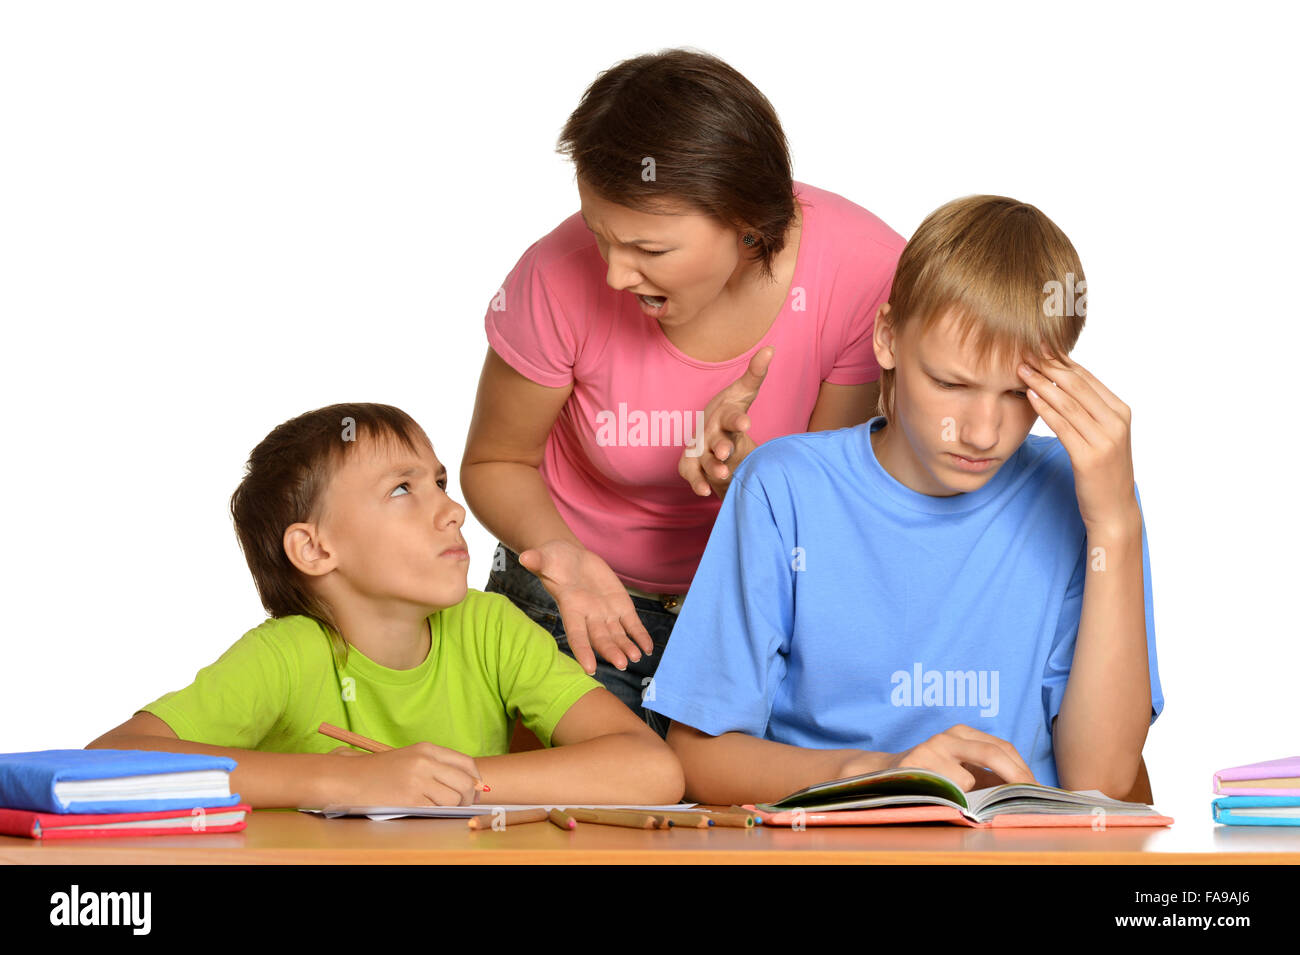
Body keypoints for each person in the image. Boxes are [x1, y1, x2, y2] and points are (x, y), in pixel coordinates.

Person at [643, 195, 1163, 805]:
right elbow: (700, 758)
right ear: (887, 337)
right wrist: (887, 773)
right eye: (949, 383)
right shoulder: (783, 488)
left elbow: (1099, 783)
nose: (981, 432)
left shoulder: (1084, 496)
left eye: (1019, 394)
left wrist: (1114, 524)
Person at [461, 49, 905, 735]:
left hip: (756, 610)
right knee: (579, 826)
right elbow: (496, 462)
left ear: (746, 223)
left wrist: (755, 480)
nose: (613, 275)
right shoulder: (554, 273)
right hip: (575, 604)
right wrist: (566, 559)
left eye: (649, 249)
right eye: (600, 234)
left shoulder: (863, 270)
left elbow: (828, 509)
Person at [86, 403, 684, 809]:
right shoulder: (288, 655)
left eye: (441, 483)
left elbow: (652, 770)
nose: (453, 512)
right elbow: (109, 761)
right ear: (316, 549)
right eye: (401, 489)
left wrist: (445, 783)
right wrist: (348, 781)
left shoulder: (490, 627)